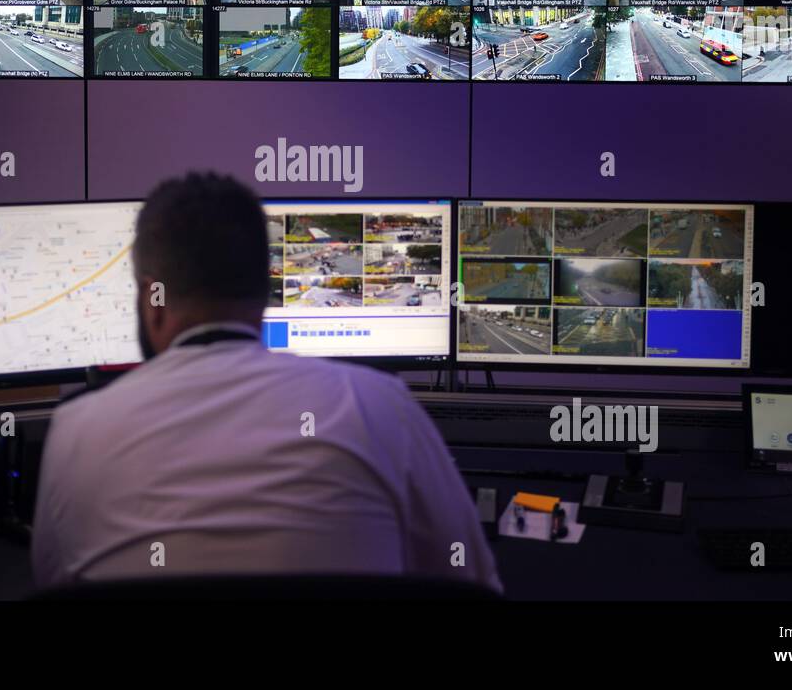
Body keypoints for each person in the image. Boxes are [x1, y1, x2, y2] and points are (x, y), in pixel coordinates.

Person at [31, 172, 501, 593]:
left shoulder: (77, 430)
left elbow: (55, 585)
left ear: (152, 301)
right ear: (266, 292)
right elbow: (472, 583)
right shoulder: (381, 407)